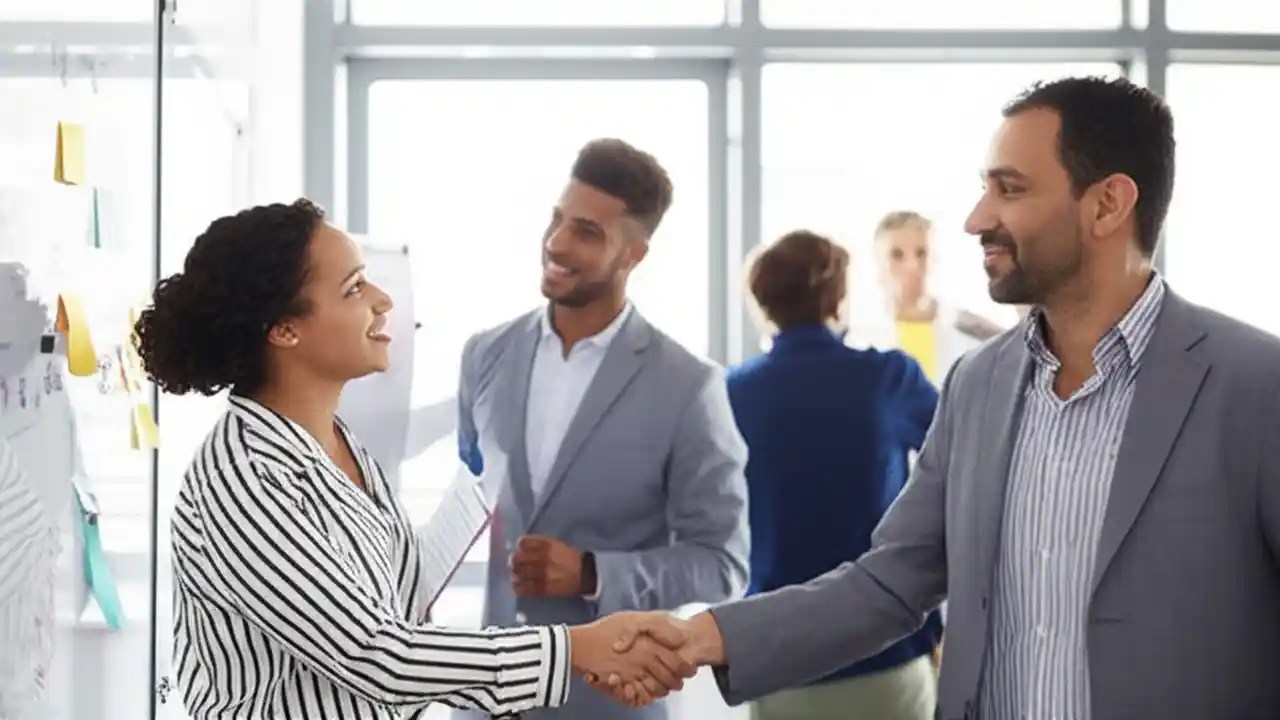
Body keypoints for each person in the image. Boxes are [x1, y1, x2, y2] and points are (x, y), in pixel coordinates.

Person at [594, 76, 1280, 719]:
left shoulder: (1255, 385)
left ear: (1107, 204)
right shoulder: (977, 384)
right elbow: (890, 583)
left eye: (1009, 190)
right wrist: (702, 636)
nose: (978, 218)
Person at [132, 199, 695, 720]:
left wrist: (484, 481)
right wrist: (578, 647)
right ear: (284, 330)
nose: (383, 299)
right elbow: (379, 657)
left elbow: (390, 601)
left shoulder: (336, 444)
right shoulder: (249, 480)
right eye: (354, 289)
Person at [455, 138, 750, 720]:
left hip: (607, 705)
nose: (557, 243)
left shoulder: (690, 387)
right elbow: (466, 503)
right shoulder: (483, 356)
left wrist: (593, 572)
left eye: (586, 232)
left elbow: (723, 564)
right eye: (557, 220)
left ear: (633, 254)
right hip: (488, 699)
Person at [728, 230, 941, 720]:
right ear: (837, 299)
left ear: (763, 305)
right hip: (885, 650)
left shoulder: (730, 394)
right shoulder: (889, 378)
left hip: (778, 654)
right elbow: (965, 466)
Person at [849, 210, 1006, 384]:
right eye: (897, 255)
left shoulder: (980, 335)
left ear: (935, 259)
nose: (912, 267)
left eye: (922, 253)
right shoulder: (854, 340)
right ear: (878, 263)